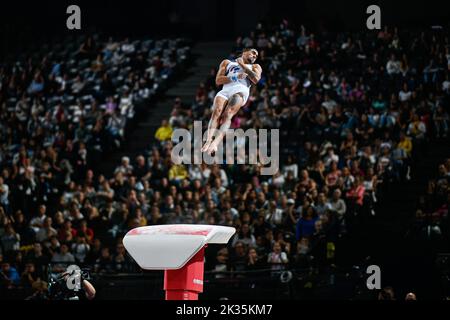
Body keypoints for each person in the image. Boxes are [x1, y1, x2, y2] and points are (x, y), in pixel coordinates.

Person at [201, 48, 262, 155]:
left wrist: (242, 65)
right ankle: (209, 140)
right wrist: (235, 77)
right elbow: (218, 80)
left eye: (256, 56)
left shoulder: (255, 66)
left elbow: (256, 79)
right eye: (253, 53)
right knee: (216, 113)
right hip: (226, 90)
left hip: (241, 90)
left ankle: (216, 142)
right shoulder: (227, 62)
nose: (254, 56)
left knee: (227, 114)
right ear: (244, 52)